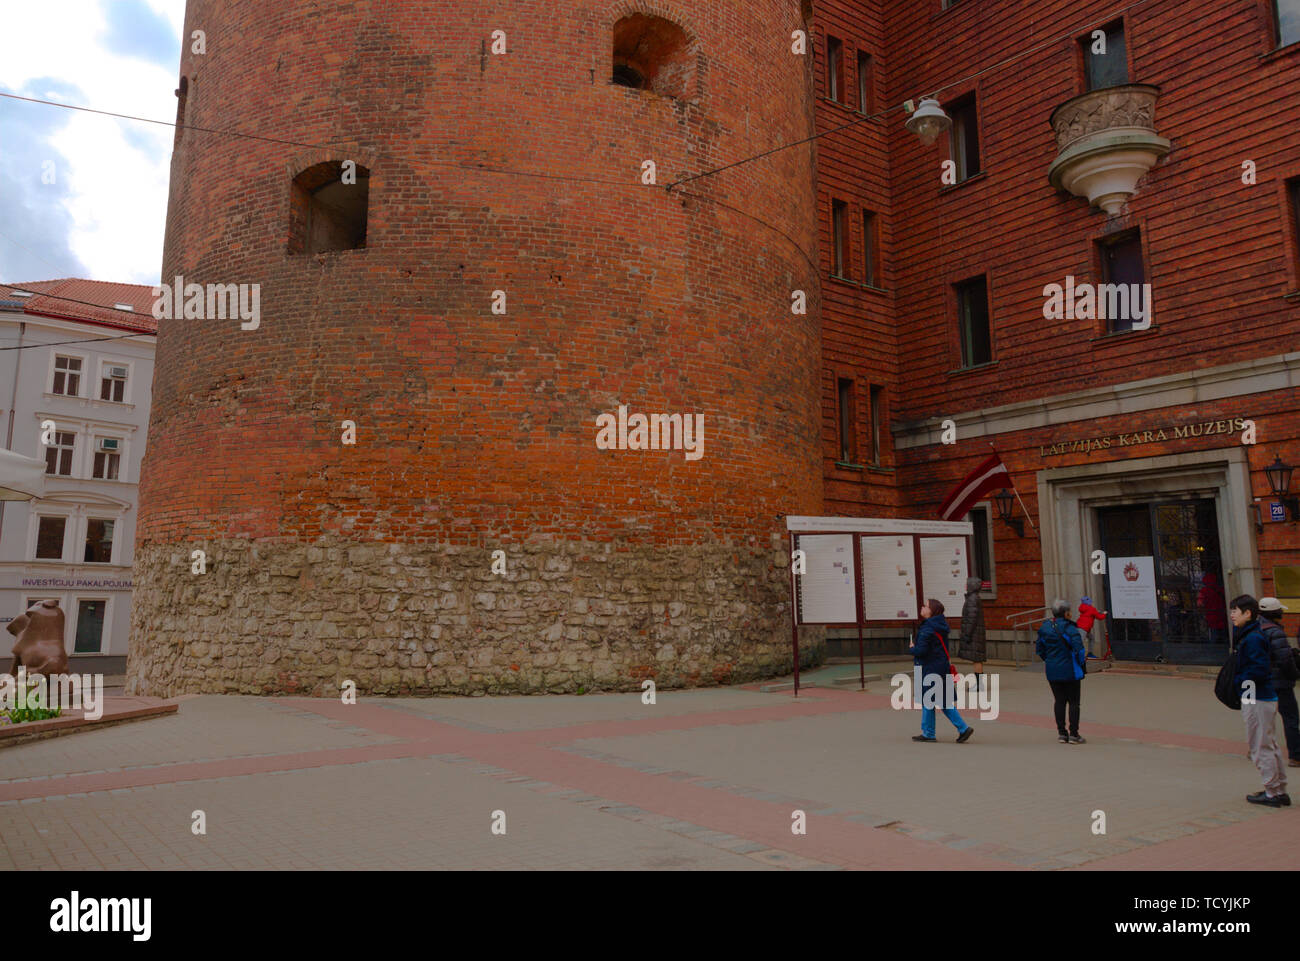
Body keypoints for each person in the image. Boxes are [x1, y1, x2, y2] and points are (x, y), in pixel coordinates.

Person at [1230, 595, 1290, 807]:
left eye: (1235, 611)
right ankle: (1279, 789)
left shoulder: (1253, 638)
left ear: (1248, 613)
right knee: (1269, 743)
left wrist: (1238, 681)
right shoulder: (1251, 635)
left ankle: (1271, 792)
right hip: (1259, 695)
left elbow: (1257, 670)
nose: (1232, 615)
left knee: (1259, 745)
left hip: (1256, 696)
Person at [909, 599, 974, 744]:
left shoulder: (927, 628)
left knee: (928, 700)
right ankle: (962, 728)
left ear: (932, 610)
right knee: (942, 701)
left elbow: (921, 651)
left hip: (930, 668)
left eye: (925, 606)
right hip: (941, 667)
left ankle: (929, 733)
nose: (922, 607)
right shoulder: (940, 625)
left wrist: (912, 648)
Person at [1035, 599, 1087, 744]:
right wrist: (1081, 663)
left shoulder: (1045, 627)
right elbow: (1079, 650)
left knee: (1059, 701)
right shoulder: (1070, 628)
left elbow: (1039, 650)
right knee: (1074, 702)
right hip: (1070, 669)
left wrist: (1050, 660)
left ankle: (1062, 733)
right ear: (1066, 613)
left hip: (1052, 670)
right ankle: (1074, 734)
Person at [1258, 597, 1300, 770]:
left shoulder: (1253, 629)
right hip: (1280, 682)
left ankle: (1258, 750)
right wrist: (1295, 674)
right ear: (1276, 613)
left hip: (1260, 680)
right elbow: (1284, 659)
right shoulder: (1275, 632)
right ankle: (1296, 755)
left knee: (1263, 718)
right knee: (1290, 717)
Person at [958, 576, 987, 692]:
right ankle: (979, 684)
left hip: (974, 634)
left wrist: (967, 634)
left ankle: (979, 685)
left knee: (977, 659)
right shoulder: (975, 598)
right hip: (977, 633)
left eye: (967, 584)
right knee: (977, 659)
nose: (966, 586)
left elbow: (971, 618)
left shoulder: (972, 599)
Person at [1200, 572, 1228, 645]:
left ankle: (1214, 644)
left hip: (1211, 612)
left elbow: (1200, 603)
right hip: (1221, 611)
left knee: (1213, 629)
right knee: (1222, 628)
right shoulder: (1220, 588)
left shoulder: (1204, 590)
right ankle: (1225, 640)